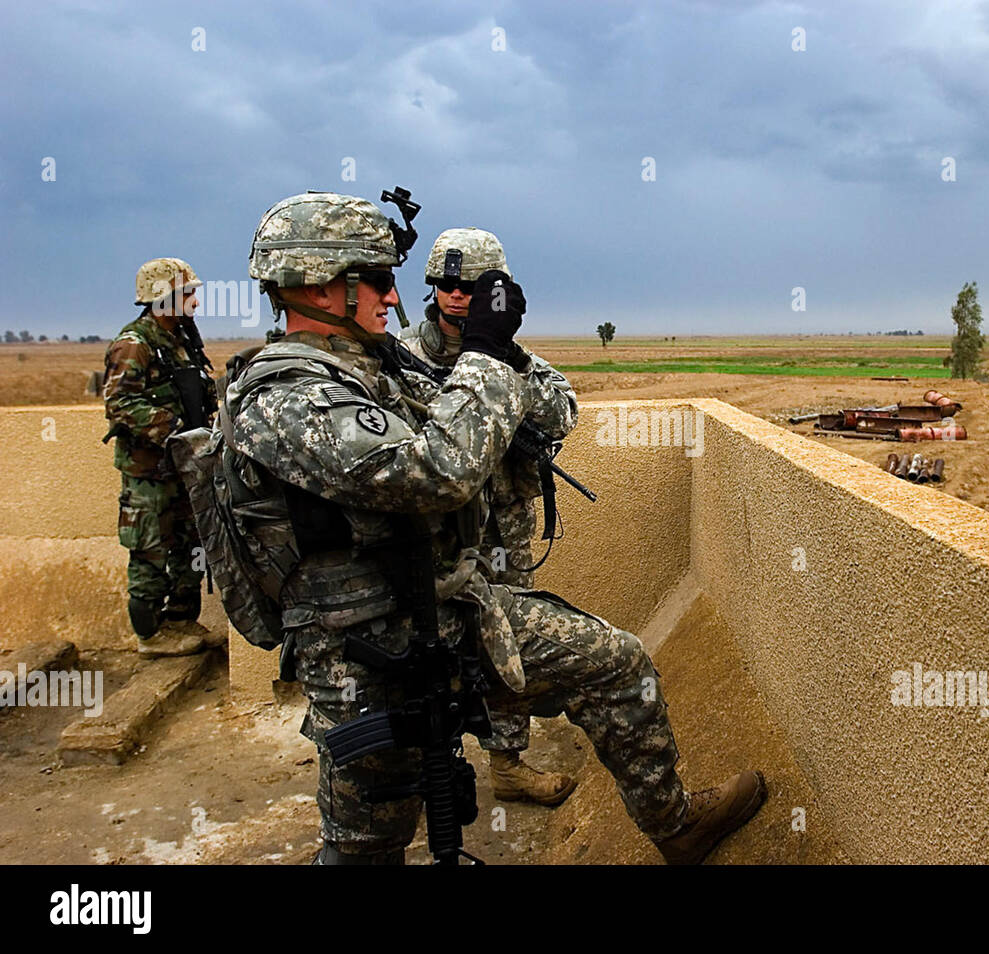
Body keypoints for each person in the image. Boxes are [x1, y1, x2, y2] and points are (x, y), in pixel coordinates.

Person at [231, 191, 765, 864]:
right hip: (359, 654)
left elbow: (527, 409)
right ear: (323, 286)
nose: (395, 301)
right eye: (378, 282)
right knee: (369, 843)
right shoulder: (285, 396)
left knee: (616, 661)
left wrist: (493, 351)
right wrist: (485, 351)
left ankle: (676, 825)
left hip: (440, 613)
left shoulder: (369, 369)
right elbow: (437, 469)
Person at [403, 226, 578, 808]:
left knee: (505, 651)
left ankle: (506, 763)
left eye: (472, 287)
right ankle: (418, 770)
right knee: (419, 651)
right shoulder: (400, 357)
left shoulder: (515, 360)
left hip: (502, 535)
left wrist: (500, 359)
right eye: (445, 285)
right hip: (431, 540)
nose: (456, 296)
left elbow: (562, 412)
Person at [103, 258, 217, 657]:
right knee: (150, 547)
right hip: (149, 470)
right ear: (163, 298)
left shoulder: (182, 340)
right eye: (188, 294)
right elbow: (119, 403)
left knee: (191, 545)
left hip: (184, 468)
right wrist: (172, 429)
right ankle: (150, 634)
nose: (195, 302)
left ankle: (182, 620)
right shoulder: (135, 343)